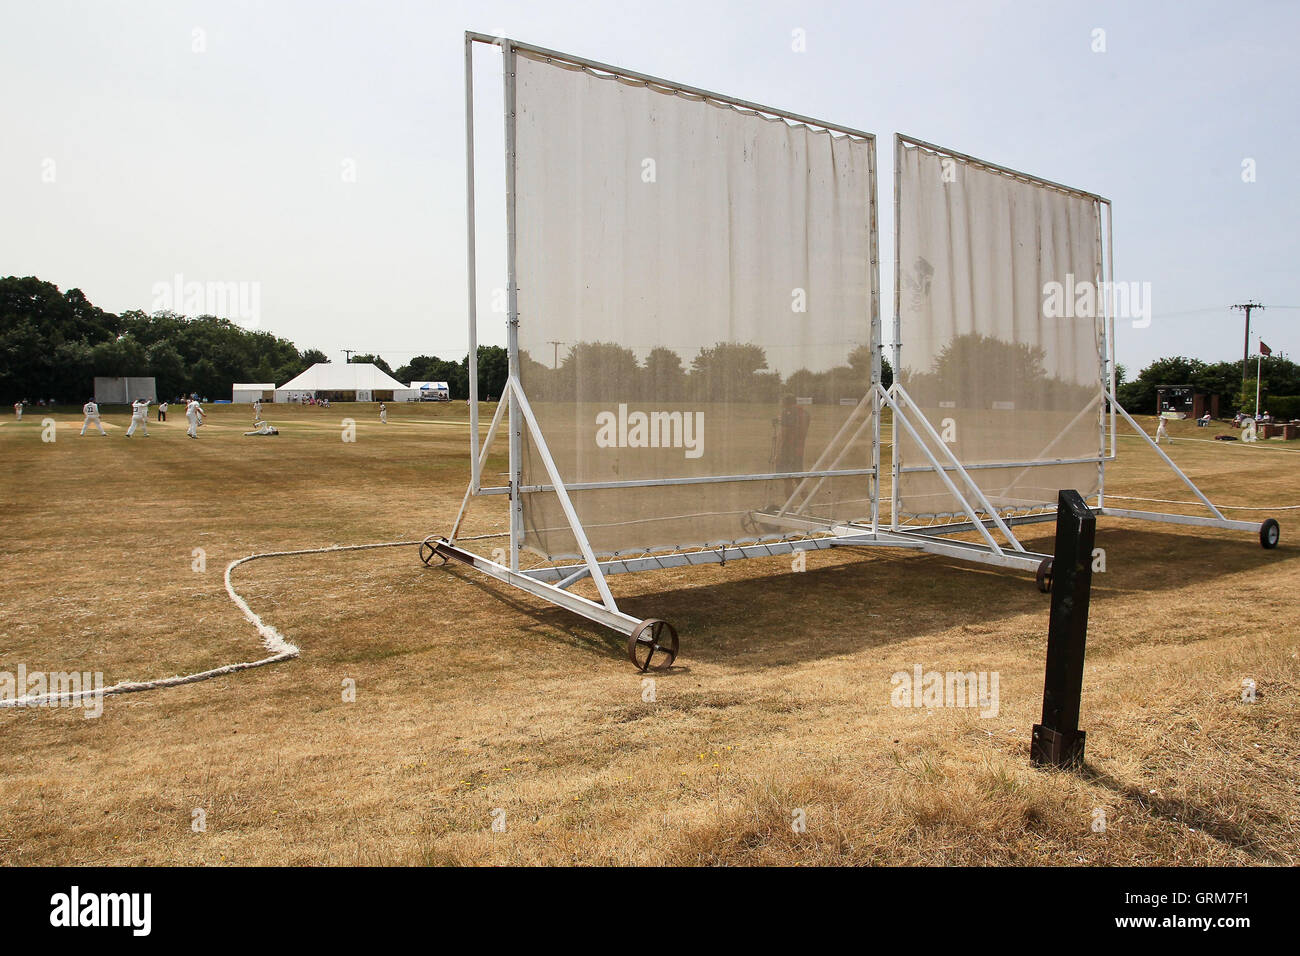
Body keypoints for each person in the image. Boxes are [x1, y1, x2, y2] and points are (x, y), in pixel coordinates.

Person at [774, 394, 811, 499]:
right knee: (799, 478)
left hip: (786, 451)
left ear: (786, 403)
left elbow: (783, 435)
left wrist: (778, 453)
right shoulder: (805, 413)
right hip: (799, 450)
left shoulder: (786, 412)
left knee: (787, 480)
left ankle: (789, 507)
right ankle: (806, 506)